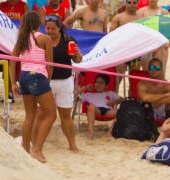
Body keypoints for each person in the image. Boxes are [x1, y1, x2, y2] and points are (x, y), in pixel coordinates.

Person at [11, 11, 56, 163]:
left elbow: (12, 61)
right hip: (38, 76)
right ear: (38, 23)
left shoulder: (22, 39)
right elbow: (50, 66)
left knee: (30, 116)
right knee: (51, 115)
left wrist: (13, 83)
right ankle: (36, 150)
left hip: (24, 76)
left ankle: (25, 149)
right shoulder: (44, 38)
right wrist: (46, 83)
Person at [43, 15, 81, 151]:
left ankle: (72, 145)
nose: (50, 31)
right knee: (42, 115)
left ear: (59, 28)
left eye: (53, 28)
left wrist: (78, 54)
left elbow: (76, 60)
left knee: (65, 116)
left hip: (65, 81)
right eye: (48, 28)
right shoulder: (42, 40)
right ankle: (37, 143)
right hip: (46, 82)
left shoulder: (68, 40)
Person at [79, 73, 122, 140]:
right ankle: (91, 133)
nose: (98, 84)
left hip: (108, 111)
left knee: (121, 111)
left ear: (106, 86)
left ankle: (110, 132)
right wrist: (85, 88)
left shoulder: (110, 93)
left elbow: (122, 99)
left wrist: (114, 101)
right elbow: (74, 98)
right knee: (91, 106)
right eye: (97, 82)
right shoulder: (88, 94)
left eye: (101, 83)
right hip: (96, 110)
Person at [136, 57, 170, 123]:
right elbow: (145, 98)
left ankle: (169, 124)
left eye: (157, 68)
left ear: (161, 70)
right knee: (146, 103)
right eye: (151, 68)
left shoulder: (166, 84)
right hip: (147, 110)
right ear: (148, 69)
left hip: (161, 110)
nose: (154, 70)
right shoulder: (142, 83)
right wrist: (166, 94)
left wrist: (159, 102)